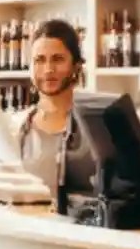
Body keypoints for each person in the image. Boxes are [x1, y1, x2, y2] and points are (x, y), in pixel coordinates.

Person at [17, 20, 96, 210]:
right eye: (39, 60)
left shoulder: (95, 126)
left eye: (58, 59)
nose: (48, 69)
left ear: (76, 65)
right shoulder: (18, 126)